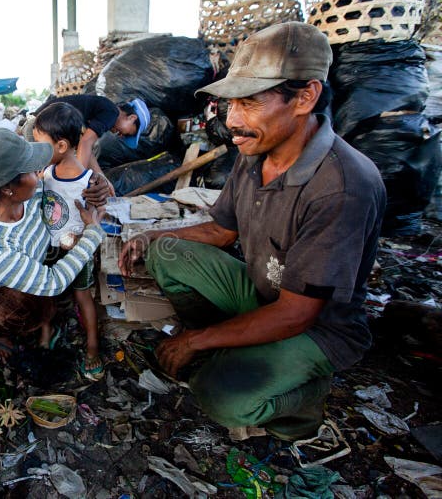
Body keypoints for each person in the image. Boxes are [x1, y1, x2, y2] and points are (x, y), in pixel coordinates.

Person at [118, 22, 386, 441]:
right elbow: (221, 231)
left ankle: (306, 400)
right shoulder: (255, 152)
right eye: (230, 104)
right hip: (265, 296)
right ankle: (231, 345)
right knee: (166, 253)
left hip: (316, 328)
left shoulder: (342, 185)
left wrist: (194, 341)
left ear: (305, 97)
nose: (232, 121)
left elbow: (298, 313)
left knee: (221, 397)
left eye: (248, 103)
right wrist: (149, 238)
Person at [0, 129, 107, 362]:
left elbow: (64, 186)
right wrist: (92, 233)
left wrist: (95, 181)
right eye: (33, 170)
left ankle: (44, 324)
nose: (40, 172)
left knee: (43, 299)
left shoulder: (27, 192)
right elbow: (53, 282)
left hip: (25, 264)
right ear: (7, 189)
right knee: (31, 309)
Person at [34, 102, 104, 381]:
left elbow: (96, 216)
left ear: (61, 146)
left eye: (41, 145)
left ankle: (92, 346)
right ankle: (46, 331)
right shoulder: (47, 173)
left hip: (78, 251)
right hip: (49, 248)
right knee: (46, 293)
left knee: (82, 295)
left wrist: (84, 235)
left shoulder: (88, 182)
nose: (37, 150)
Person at [25, 94, 150, 183]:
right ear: (132, 118)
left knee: (44, 176)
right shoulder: (112, 113)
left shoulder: (101, 110)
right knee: (42, 180)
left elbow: (86, 150)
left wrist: (103, 179)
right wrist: (79, 181)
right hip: (40, 129)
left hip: (35, 125)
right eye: (129, 133)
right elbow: (85, 143)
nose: (121, 135)